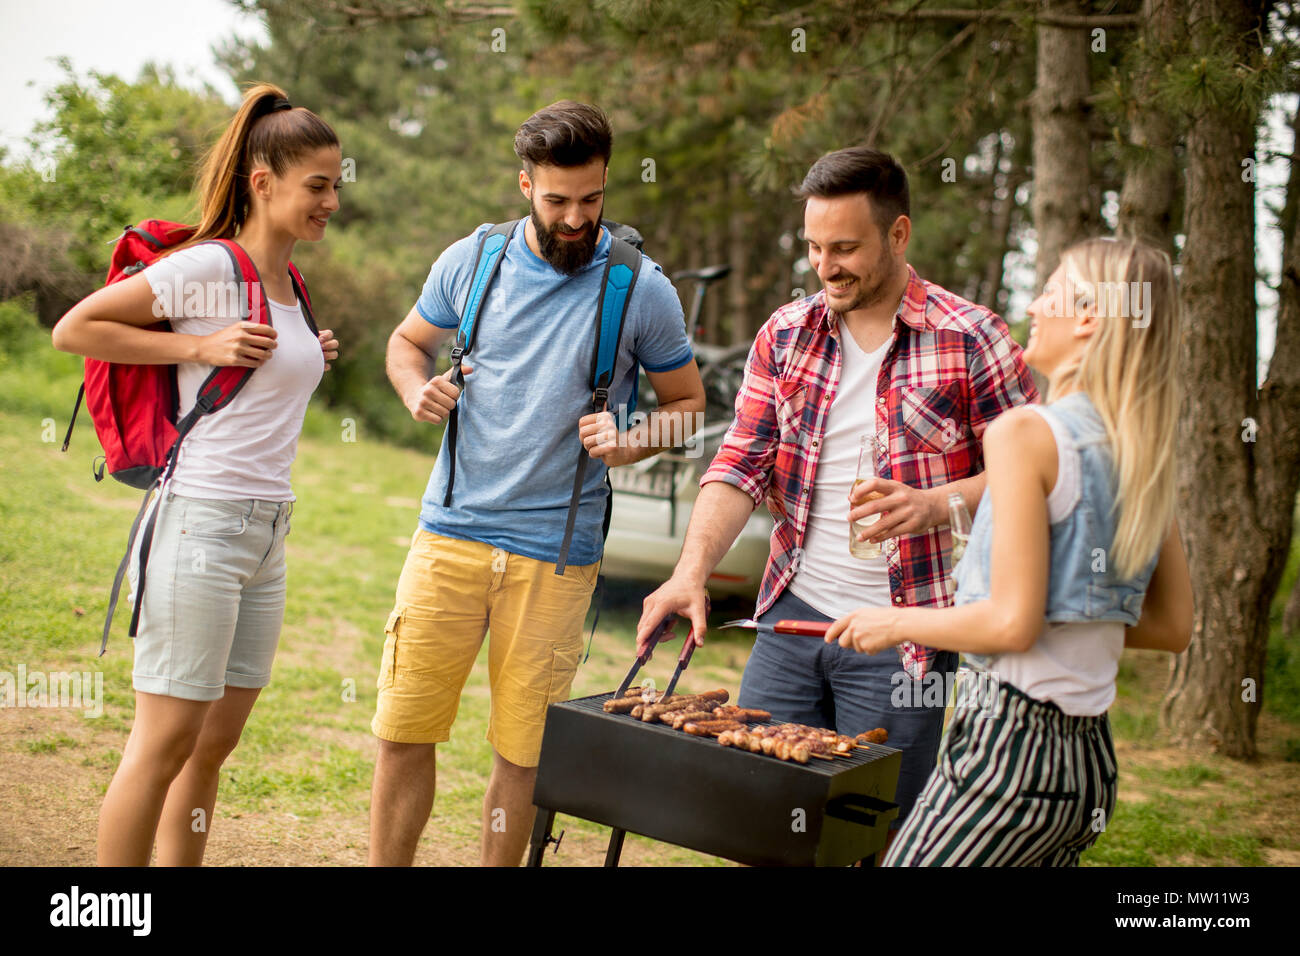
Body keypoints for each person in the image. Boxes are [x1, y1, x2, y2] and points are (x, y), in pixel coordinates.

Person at [637, 146, 1038, 831]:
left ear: (899, 234)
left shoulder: (974, 339)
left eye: (846, 248)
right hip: (791, 620)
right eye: (816, 248)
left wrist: (937, 505)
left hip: (906, 637)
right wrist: (689, 572)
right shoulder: (787, 334)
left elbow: (1031, 475)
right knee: (764, 824)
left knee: (876, 833)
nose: (827, 267)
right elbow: (739, 464)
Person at [368, 100, 705, 867]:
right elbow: (404, 344)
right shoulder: (472, 260)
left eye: (592, 199)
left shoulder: (641, 288)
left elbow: (687, 408)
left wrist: (630, 443)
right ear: (525, 184)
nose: (577, 218)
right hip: (448, 536)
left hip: (557, 557)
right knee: (401, 731)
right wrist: (413, 388)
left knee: (522, 757)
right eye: (557, 201)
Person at [827, 237, 1193, 866]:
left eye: (1051, 288)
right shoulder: (1142, 451)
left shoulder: (1027, 431)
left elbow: (1009, 622)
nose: (1033, 302)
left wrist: (893, 622)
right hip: (1086, 763)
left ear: (1087, 317)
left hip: (1010, 750)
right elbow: (1170, 626)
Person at [52, 83, 343, 866]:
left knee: (211, 747)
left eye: (336, 185)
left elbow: (262, 375)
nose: (331, 201)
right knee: (164, 740)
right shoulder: (211, 265)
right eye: (317, 185)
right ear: (263, 182)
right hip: (200, 523)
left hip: (268, 531)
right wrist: (197, 348)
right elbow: (76, 328)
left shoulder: (292, 284)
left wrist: (308, 352)